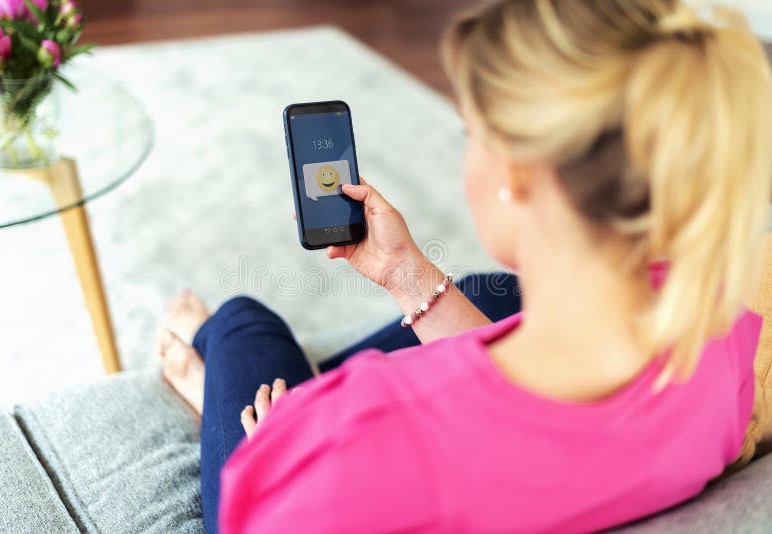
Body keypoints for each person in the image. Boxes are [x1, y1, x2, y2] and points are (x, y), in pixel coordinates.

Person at [155, 0, 772, 532]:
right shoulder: (719, 340)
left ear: (518, 173)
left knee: (243, 323)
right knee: (492, 294)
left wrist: (272, 452)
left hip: (299, 488)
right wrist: (404, 273)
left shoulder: (358, 428)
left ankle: (212, 389)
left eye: (469, 132)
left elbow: (271, 511)